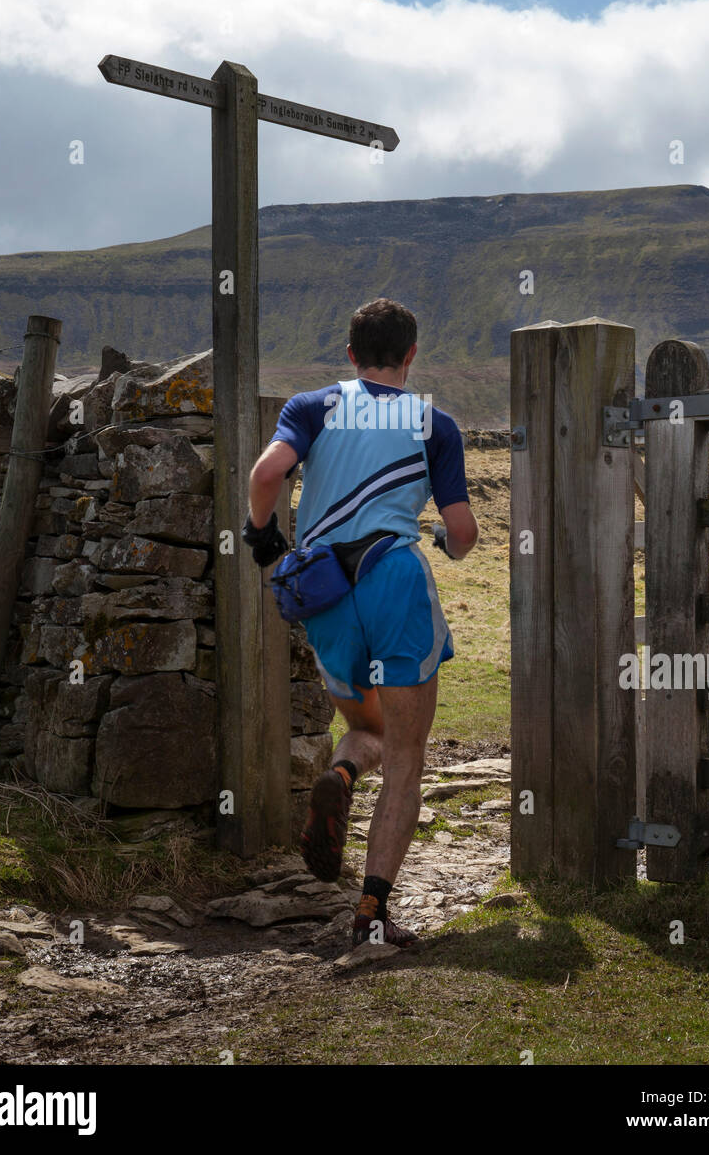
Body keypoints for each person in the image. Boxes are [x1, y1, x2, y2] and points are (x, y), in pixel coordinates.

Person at [242, 297, 478, 948]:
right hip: (394, 582)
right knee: (405, 755)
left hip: (323, 592)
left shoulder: (312, 407)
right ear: (410, 355)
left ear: (349, 355)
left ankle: (341, 774)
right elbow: (461, 534)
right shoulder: (435, 423)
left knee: (365, 729)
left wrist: (262, 537)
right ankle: (371, 914)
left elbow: (267, 474)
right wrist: (438, 535)